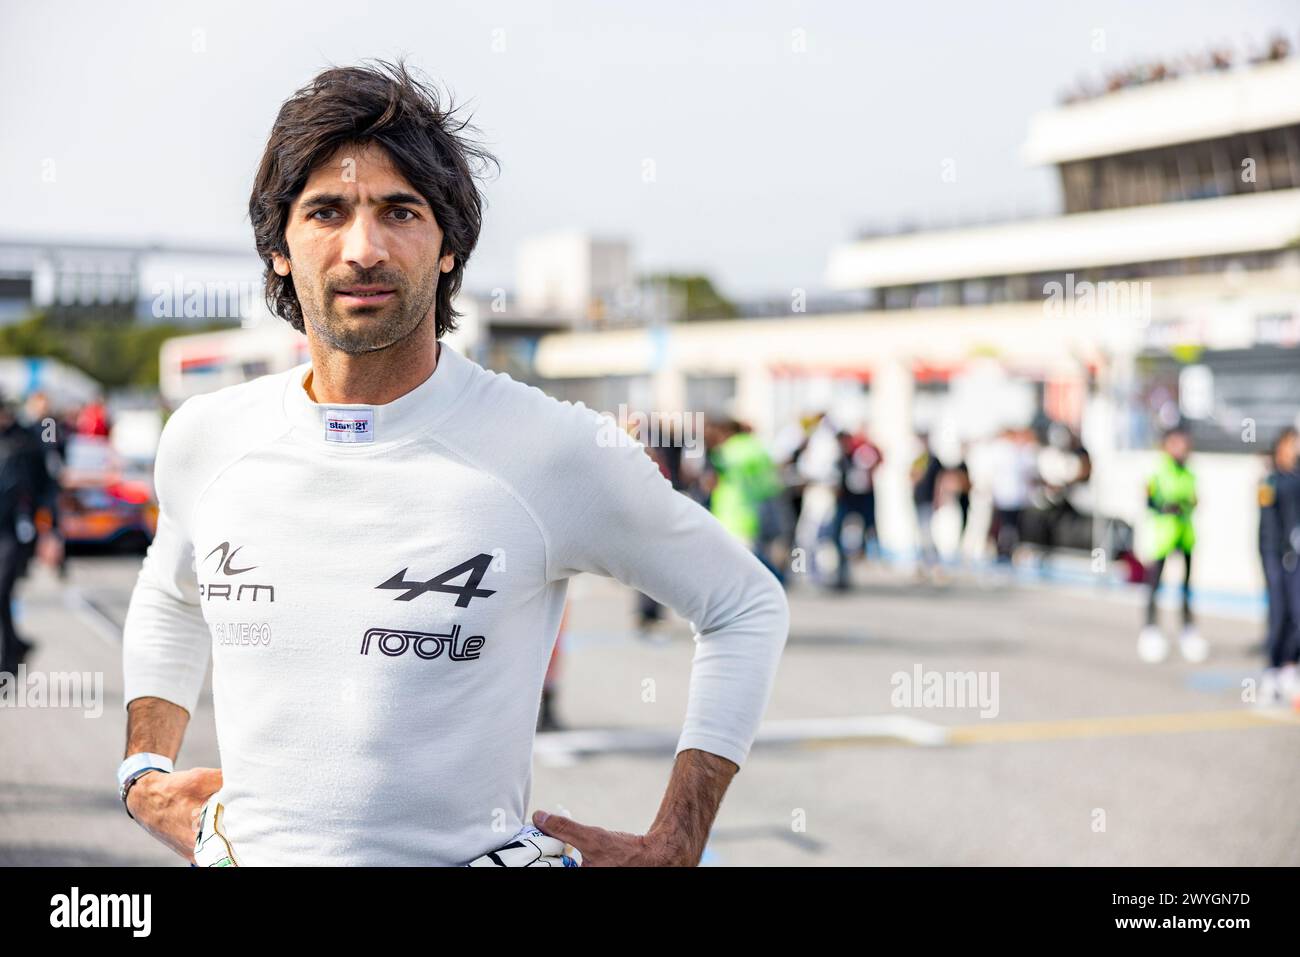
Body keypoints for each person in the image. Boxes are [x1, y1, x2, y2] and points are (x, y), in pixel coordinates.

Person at [119, 61, 788, 868]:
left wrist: (677, 841)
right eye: (326, 211)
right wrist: (143, 771)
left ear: (448, 248)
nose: (363, 248)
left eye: (399, 211)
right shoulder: (207, 438)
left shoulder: (551, 448)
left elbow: (743, 603)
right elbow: (170, 592)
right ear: (278, 251)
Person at [0, 397, 63, 675]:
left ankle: (10, 658)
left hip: (17, 530)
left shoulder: (28, 440)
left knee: (2, 590)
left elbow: (49, 486)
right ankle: (15, 646)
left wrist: (52, 532)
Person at [1138, 424, 1206, 663]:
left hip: (1184, 535)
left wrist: (1187, 505)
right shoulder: (1157, 470)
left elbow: (1195, 499)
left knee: (1186, 586)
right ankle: (1150, 628)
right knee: (1154, 585)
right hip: (1162, 537)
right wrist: (1167, 507)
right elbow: (1149, 500)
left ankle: (1188, 629)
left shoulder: (1189, 473)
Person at [1258, 426, 1300, 705]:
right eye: (1292, 443)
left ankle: (1289, 665)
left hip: (1296, 558)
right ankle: (1271, 672)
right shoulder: (1269, 482)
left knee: (1297, 614)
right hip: (1275, 555)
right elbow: (1266, 525)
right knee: (1278, 613)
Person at [910, 433, 943, 579]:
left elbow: (940, 481)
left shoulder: (933, 460)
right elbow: (911, 476)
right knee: (922, 535)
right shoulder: (918, 460)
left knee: (926, 534)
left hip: (928, 501)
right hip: (918, 500)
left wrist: (938, 498)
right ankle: (924, 566)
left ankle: (934, 566)